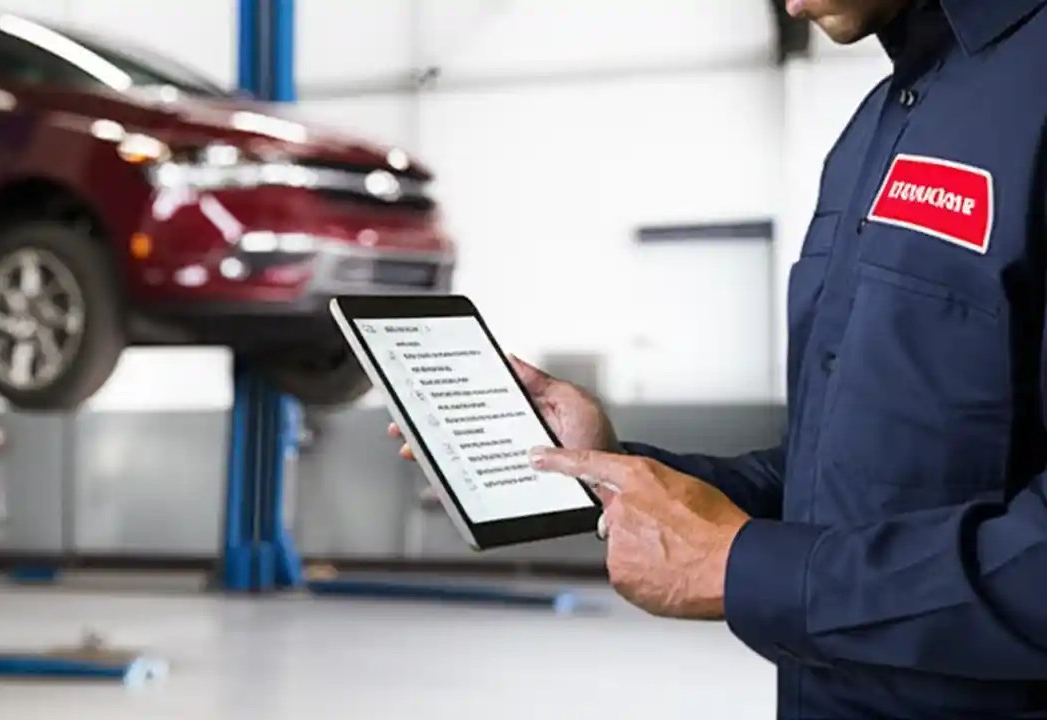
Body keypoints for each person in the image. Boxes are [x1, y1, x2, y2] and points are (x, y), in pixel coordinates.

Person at [392, 1, 1047, 716]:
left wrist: (747, 571)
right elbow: (835, 479)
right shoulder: (875, 128)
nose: (791, 5)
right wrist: (605, 468)